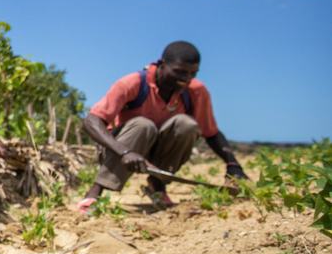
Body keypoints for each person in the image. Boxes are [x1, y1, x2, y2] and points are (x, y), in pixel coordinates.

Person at [77, 41, 247, 213]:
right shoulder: (133, 83)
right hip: (120, 150)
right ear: (163, 64)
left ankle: (157, 186)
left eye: (192, 74)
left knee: (186, 125)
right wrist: (125, 152)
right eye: (180, 72)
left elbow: (211, 133)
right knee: (144, 125)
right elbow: (92, 121)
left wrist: (233, 164)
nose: (186, 79)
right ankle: (95, 192)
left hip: (157, 155)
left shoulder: (196, 91)